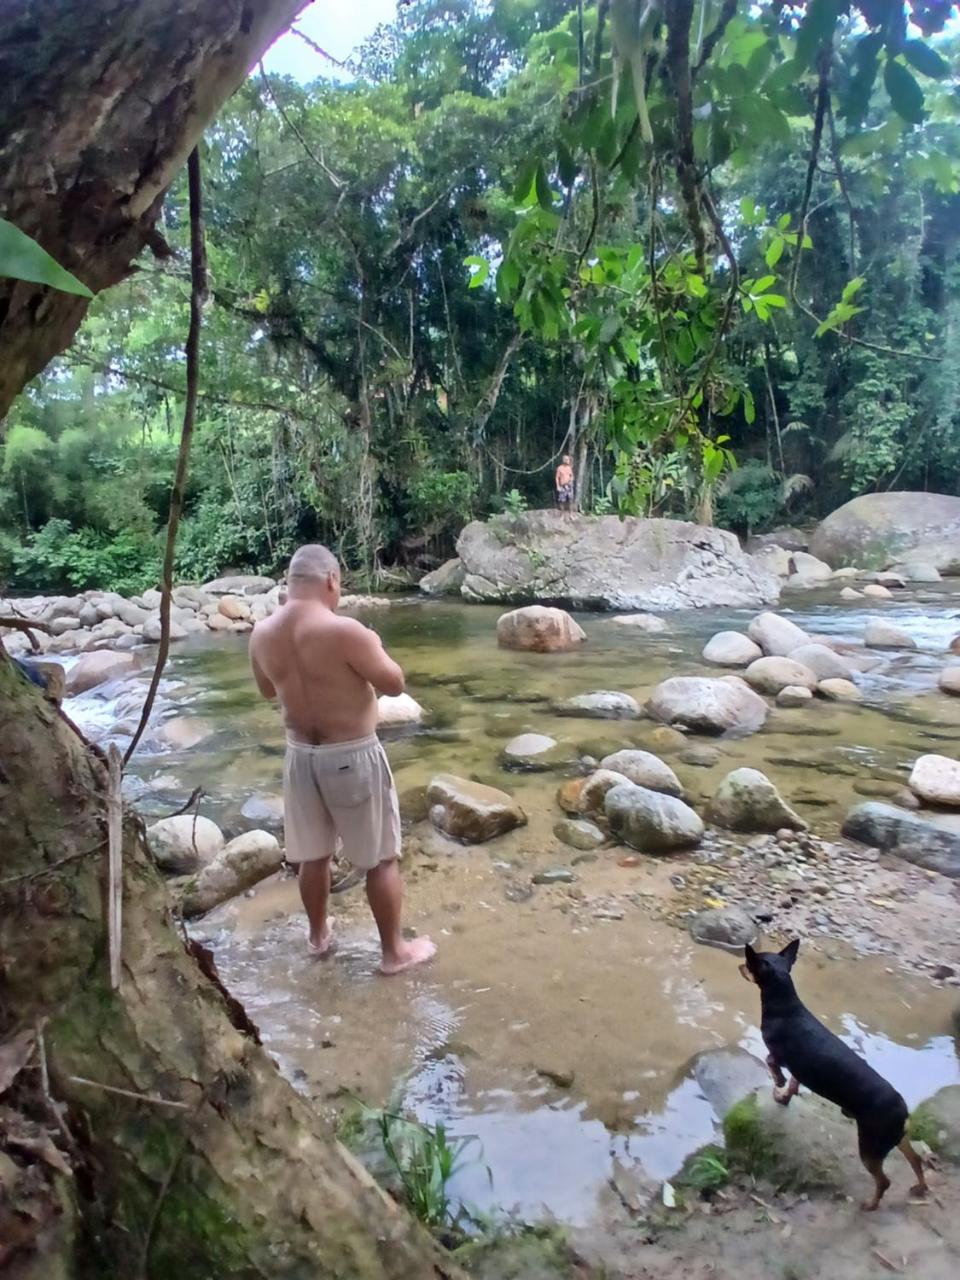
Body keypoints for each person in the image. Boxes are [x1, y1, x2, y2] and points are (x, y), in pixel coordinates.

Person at [248, 544, 436, 975]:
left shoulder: (262, 634)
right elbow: (393, 684)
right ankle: (394, 953)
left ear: (291, 582)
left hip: (300, 757)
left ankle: (318, 936)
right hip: (351, 754)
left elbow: (266, 691)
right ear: (332, 580)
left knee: (313, 855)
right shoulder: (347, 631)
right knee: (380, 858)